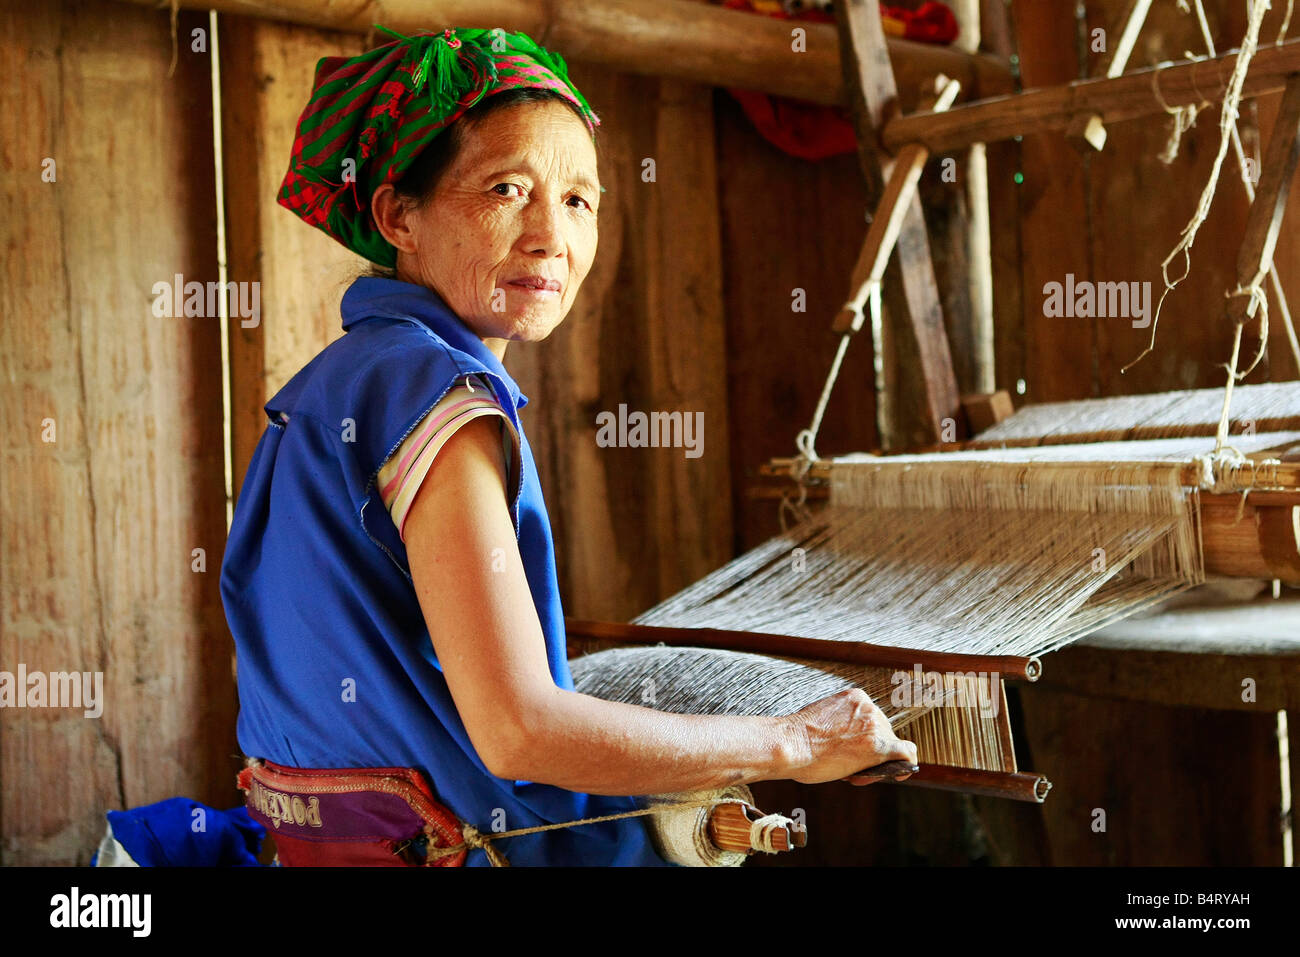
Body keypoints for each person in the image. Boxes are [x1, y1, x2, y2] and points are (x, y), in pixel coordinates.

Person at [220, 25, 917, 867]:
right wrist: (794, 743)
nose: (553, 235)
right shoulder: (431, 394)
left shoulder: (329, 392)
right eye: (509, 189)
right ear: (397, 214)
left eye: (580, 199)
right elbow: (519, 731)